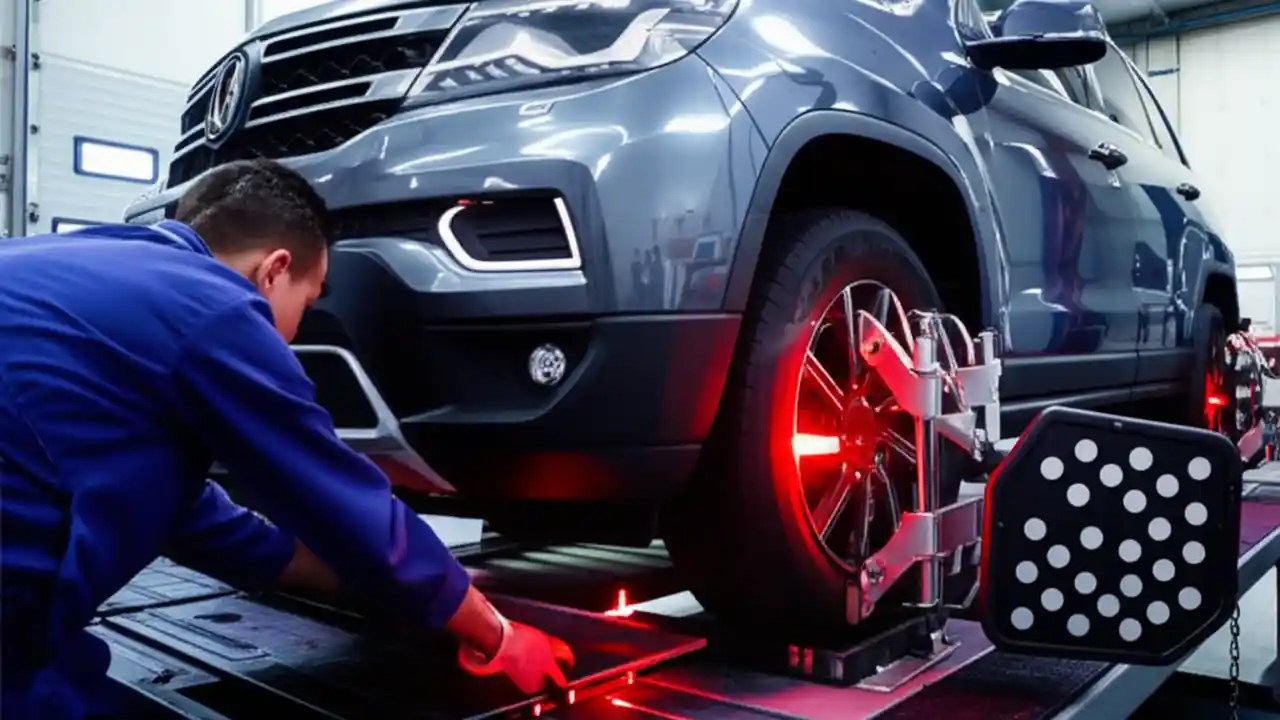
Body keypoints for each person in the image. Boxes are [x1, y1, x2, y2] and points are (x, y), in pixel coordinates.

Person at [0, 158, 573, 719]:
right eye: (310, 298)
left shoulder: (87, 269)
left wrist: (373, 588)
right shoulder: (215, 306)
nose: (298, 329)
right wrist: (496, 634)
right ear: (273, 270)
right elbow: (337, 498)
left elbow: (192, 518)